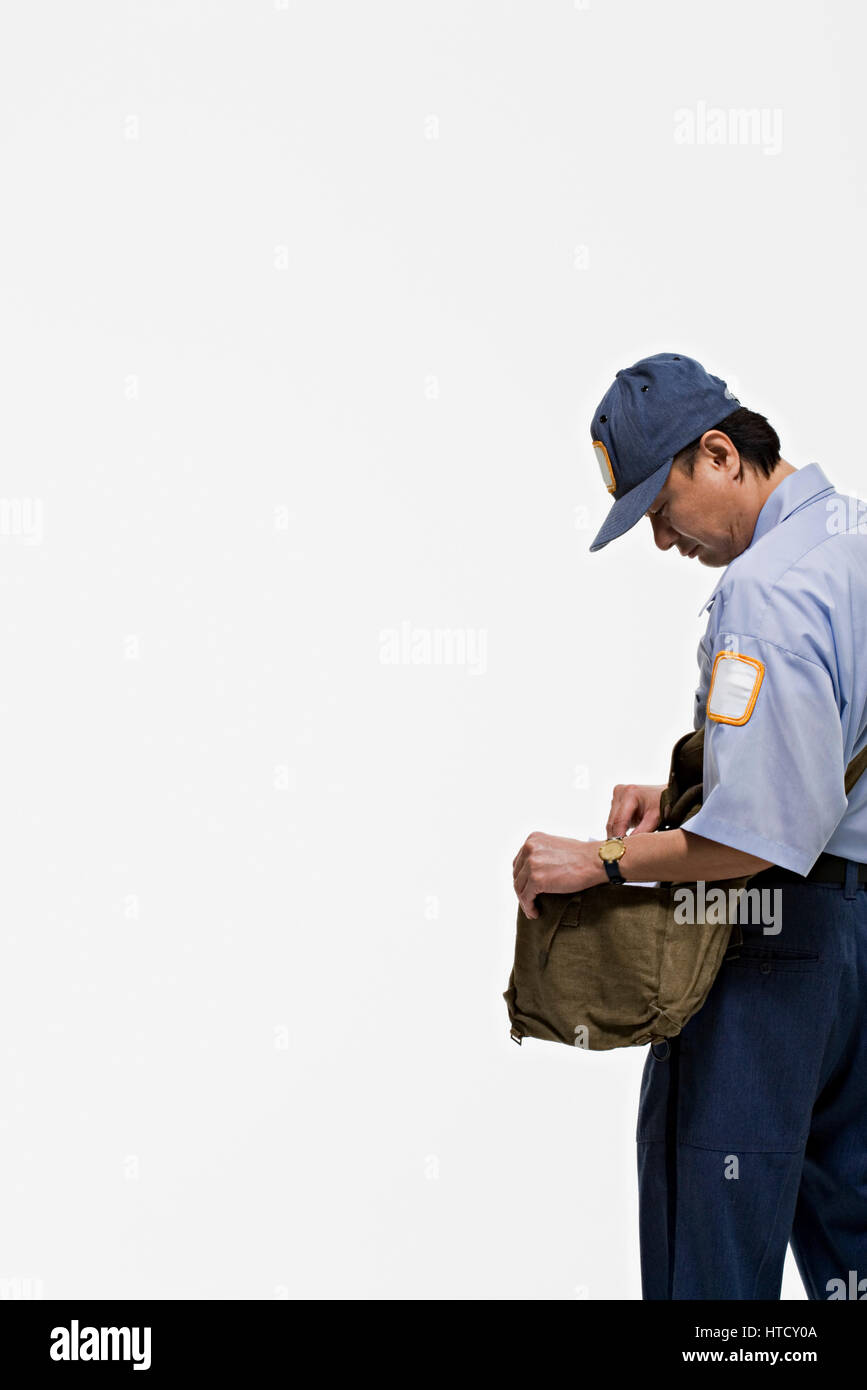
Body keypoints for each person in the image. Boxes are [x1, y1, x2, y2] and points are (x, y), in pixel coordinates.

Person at [511, 352, 867, 1300]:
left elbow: (758, 843)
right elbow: (826, 744)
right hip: (858, 955)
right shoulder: (853, 540)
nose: (663, 543)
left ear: (717, 454)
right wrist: (684, 791)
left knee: (709, 1282)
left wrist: (605, 859)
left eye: (660, 512)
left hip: (775, 947)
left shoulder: (763, 590)